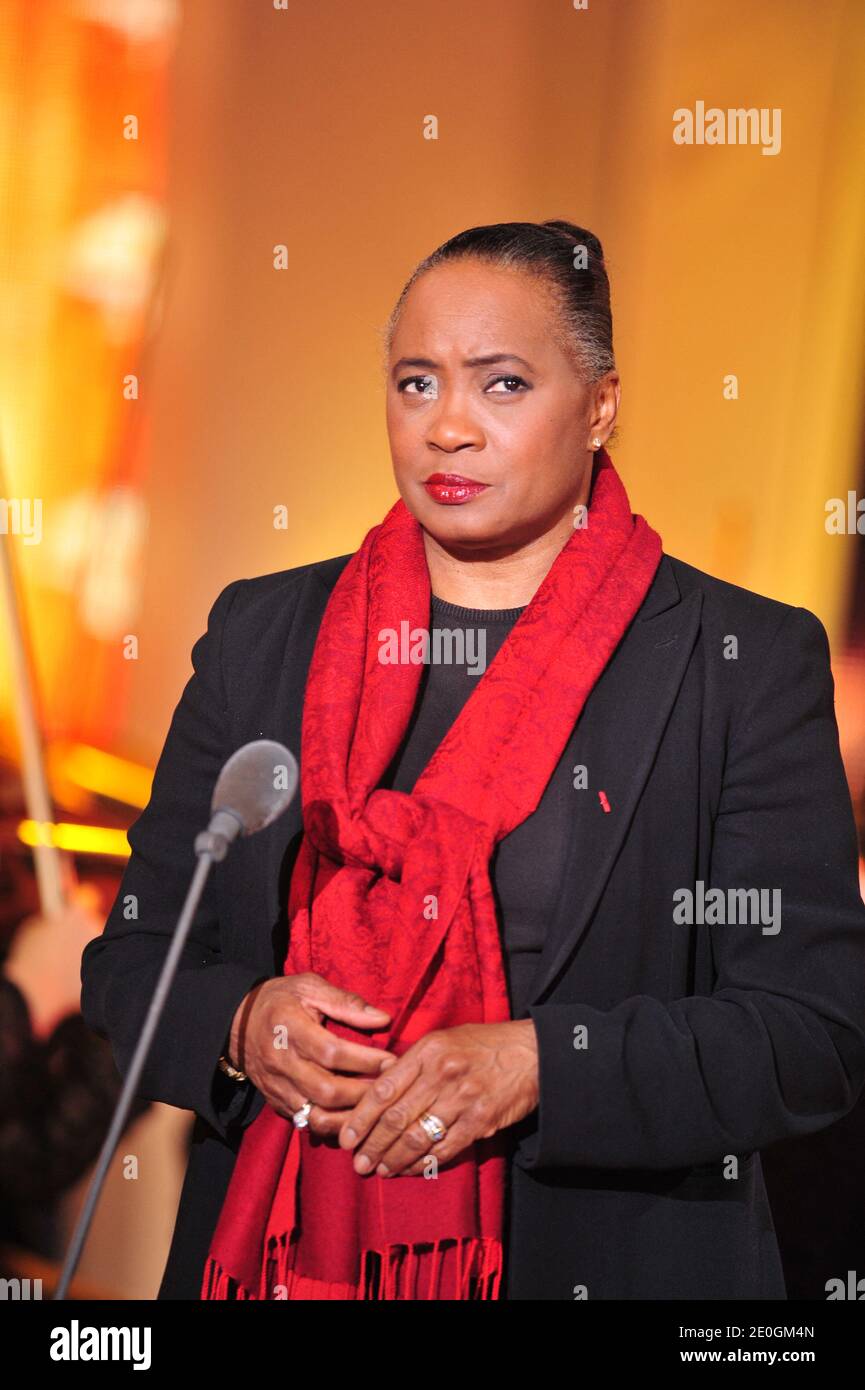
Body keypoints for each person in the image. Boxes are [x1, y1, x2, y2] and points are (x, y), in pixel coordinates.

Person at [81, 219, 865, 1300]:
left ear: (599, 405)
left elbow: (810, 1032)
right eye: (415, 383)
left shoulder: (736, 662)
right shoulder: (266, 635)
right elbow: (131, 957)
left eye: (500, 385)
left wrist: (542, 1065)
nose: (447, 426)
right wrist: (241, 1023)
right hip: (277, 1251)